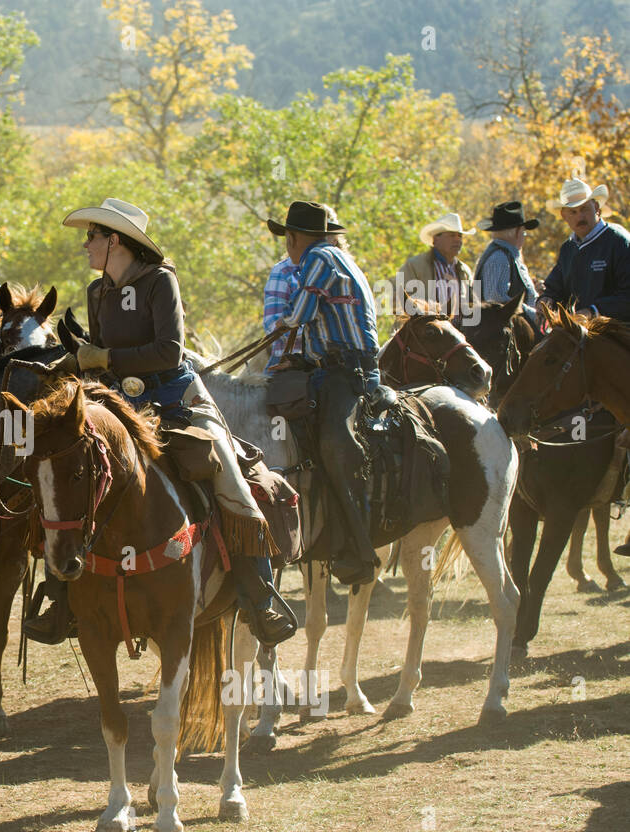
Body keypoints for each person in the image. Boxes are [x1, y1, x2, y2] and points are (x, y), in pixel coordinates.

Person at [23, 198, 295, 648]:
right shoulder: (97, 292)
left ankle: (258, 596)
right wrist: (76, 363)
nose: (85, 245)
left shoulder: (159, 282)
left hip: (176, 401)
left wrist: (104, 356)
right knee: (66, 475)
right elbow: (103, 360)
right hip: (121, 408)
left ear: (115, 241)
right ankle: (62, 599)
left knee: (232, 480)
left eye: (91, 236)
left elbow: (169, 352)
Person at [268, 200, 392, 586]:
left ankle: (359, 546)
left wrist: (280, 334)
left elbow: (299, 315)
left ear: (292, 238)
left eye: (287, 239)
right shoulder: (339, 256)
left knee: (333, 447)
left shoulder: (318, 258)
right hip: (339, 367)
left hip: (345, 373)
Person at [539, 177, 630, 322]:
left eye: (584, 209)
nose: (580, 217)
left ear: (596, 208)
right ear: (564, 215)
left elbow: (627, 296)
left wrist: (593, 311)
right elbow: (555, 287)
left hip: (616, 332)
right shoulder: (568, 248)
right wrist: (546, 300)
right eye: (573, 212)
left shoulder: (619, 241)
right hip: (577, 334)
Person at [262, 204, 344, 364]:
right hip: (288, 362)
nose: (321, 242)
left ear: (334, 239)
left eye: (325, 236)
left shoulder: (341, 273)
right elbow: (273, 325)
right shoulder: (283, 272)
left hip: (335, 362)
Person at [472, 201, 542, 332]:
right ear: (516, 232)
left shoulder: (506, 256)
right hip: (503, 337)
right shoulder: (499, 258)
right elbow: (496, 300)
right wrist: (534, 314)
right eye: (523, 232)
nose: (524, 237)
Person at [394, 212, 474, 317]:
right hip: (425, 330)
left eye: (460, 236)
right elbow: (400, 302)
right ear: (435, 239)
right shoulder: (414, 266)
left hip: (458, 331)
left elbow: (470, 305)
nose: (457, 239)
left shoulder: (464, 271)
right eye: (451, 235)